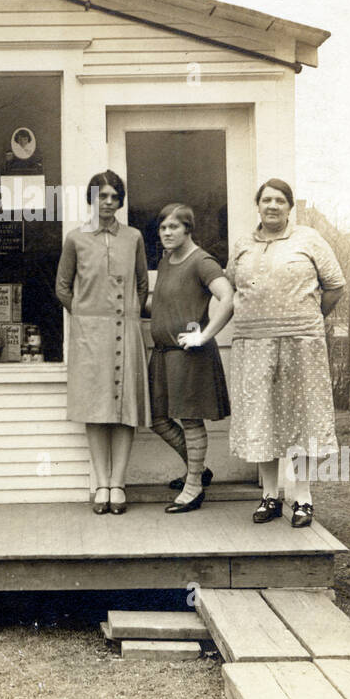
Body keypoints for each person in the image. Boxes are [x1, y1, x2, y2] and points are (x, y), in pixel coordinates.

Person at [226, 179, 345, 528]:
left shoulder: (308, 239)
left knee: (303, 415)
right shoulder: (243, 244)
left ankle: (303, 499)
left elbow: (334, 285)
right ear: (258, 206)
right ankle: (269, 496)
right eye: (266, 200)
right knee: (263, 416)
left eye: (280, 200)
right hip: (253, 344)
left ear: (290, 207)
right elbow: (231, 284)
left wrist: (307, 317)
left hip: (300, 343)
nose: (273, 206)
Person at [55, 170, 150, 515]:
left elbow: (142, 284)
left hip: (126, 331)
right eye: (102, 196)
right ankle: (101, 484)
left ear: (121, 201)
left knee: (125, 412)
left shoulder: (133, 237)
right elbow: (62, 286)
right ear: (92, 198)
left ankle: (119, 484)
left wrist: (127, 315)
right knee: (95, 410)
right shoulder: (76, 238)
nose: (108, 202)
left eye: (114, 197)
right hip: (89, 337)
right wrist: (85, 315)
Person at [147, 204, 235, 512]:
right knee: (158, 419)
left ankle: (194, 487)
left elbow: (227, 297)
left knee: (190, 420)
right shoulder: (167, 261)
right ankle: (199, 471)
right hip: (162, 354)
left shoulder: (202, 261)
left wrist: (205, 335)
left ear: (188, 229)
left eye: (174, 227)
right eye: (163, 228)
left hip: (189, 355)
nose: (167, 233)